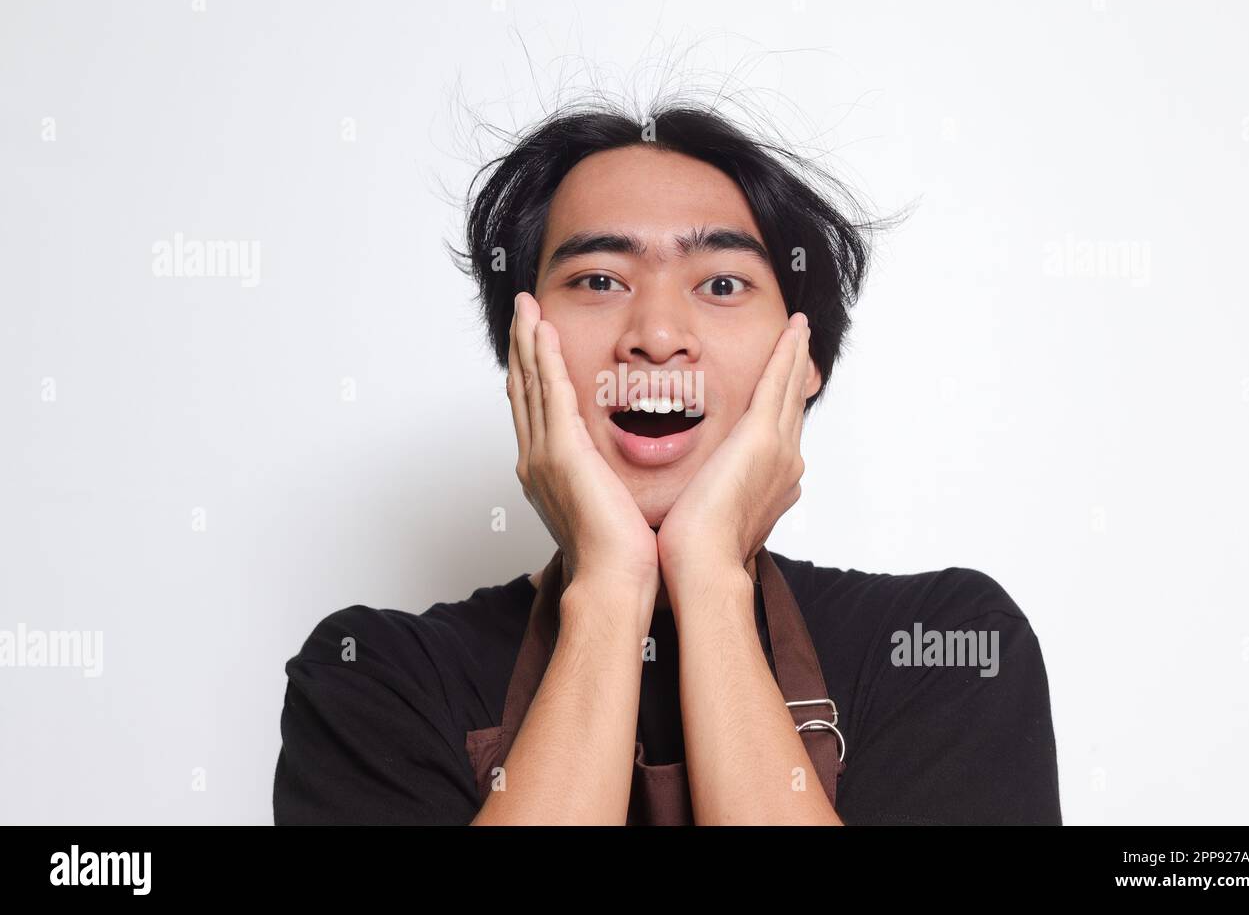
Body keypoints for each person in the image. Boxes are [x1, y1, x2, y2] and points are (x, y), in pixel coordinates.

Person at [273, 103, 1062, 825]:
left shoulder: (943, 645)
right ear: (523, 352)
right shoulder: (372, 680)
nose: (655, 334)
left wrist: (711, 575)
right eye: (598, 280)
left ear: (804, 357)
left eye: (722, 283)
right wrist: (612, 585)